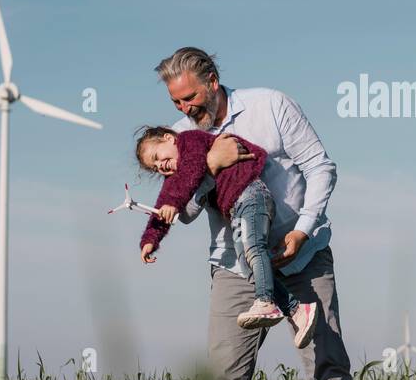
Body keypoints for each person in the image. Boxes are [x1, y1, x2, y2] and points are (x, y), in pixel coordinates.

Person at [153, 47, 359, 380]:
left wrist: (301, 231)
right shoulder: (181, 137)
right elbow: (188, 210)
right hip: (235, 265)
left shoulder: (271, 105)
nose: (185, 109)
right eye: (176, 102)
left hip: (302, 256)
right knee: (226, 379)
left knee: (327, 367)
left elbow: (321, 167)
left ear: (212, 81)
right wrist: (210, 163)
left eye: (190, 98)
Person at [132, 125, 319, 348]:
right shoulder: (176, 177)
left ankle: (265, 302)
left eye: (157, 157)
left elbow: (191, 170)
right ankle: (298, 310)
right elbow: (166, 200)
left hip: (251, 195)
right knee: (247, 263)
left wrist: (174, 202)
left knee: (253, 247)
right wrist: (151, 238)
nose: (160, 166)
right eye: (155, 168)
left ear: (169, 138)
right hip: (236, 210)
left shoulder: (190, 141)